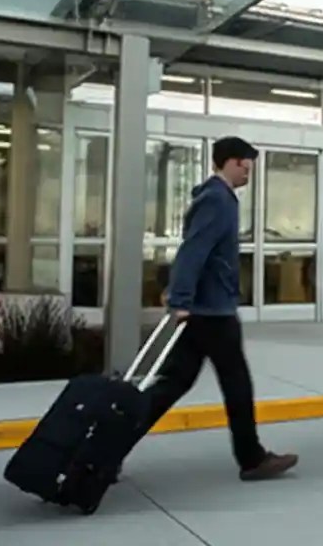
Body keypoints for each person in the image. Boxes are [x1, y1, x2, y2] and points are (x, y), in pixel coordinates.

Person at [125, 136, 298, 481]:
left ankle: (107, 449)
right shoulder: (217, 201)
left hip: (205, 310)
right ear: (231, 162)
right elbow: (194, 251)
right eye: (246, 166)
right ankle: (251, 459)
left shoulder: (215, 198)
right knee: (236, 384)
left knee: (171, 386)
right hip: (212, 312)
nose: (249, 173)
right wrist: (180, 301)